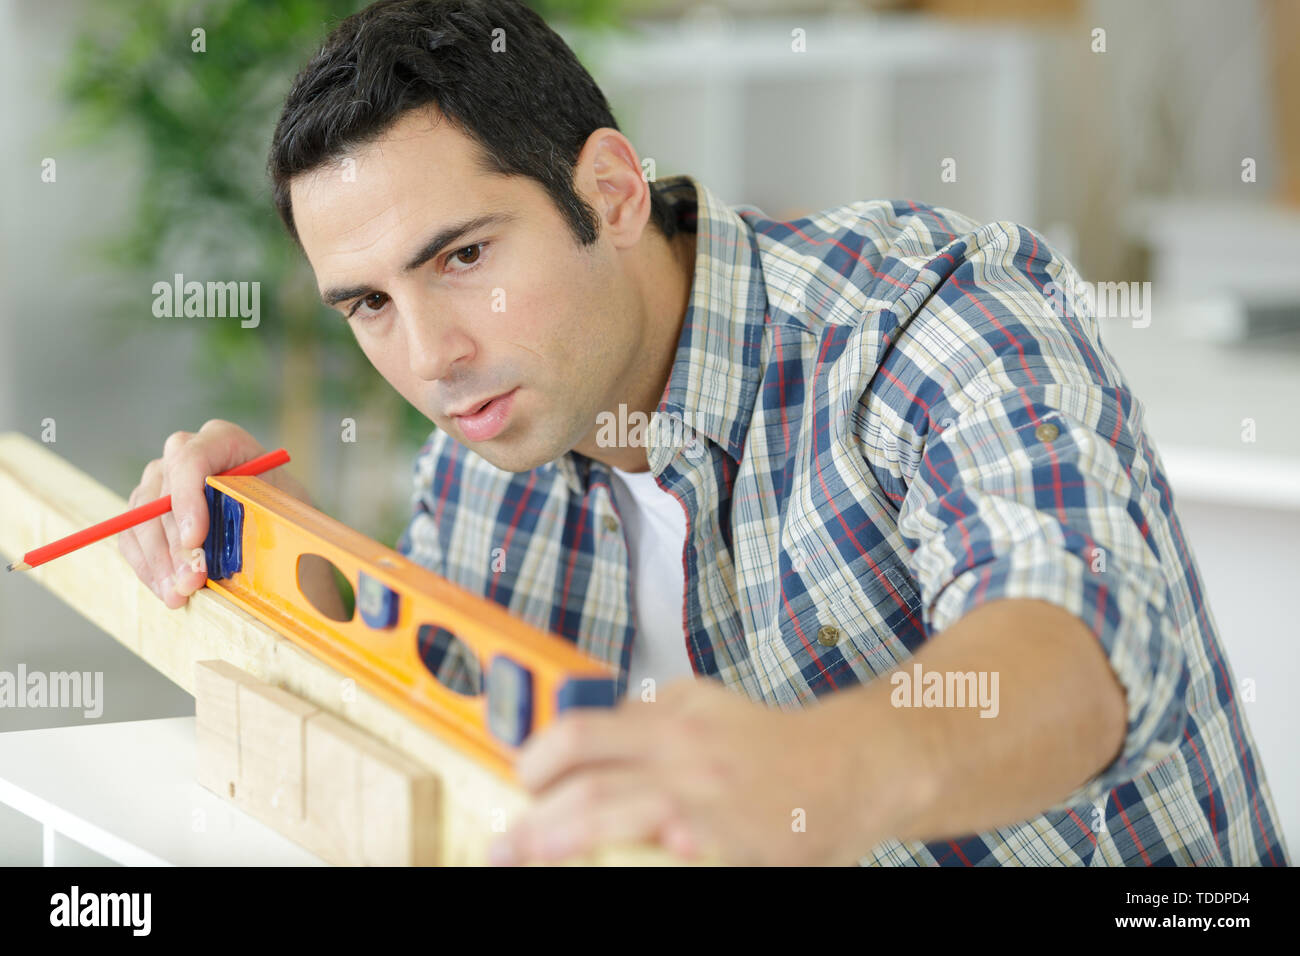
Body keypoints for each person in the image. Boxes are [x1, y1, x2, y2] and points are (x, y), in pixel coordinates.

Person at [118, 0, 1288, 867]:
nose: (428, 357)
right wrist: (269, 564)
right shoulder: (493, 436)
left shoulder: (929, 316)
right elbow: (457, 744)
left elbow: (1076, 644)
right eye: (369, 302)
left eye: (463, 257)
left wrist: (830, 766)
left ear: (615, 191)